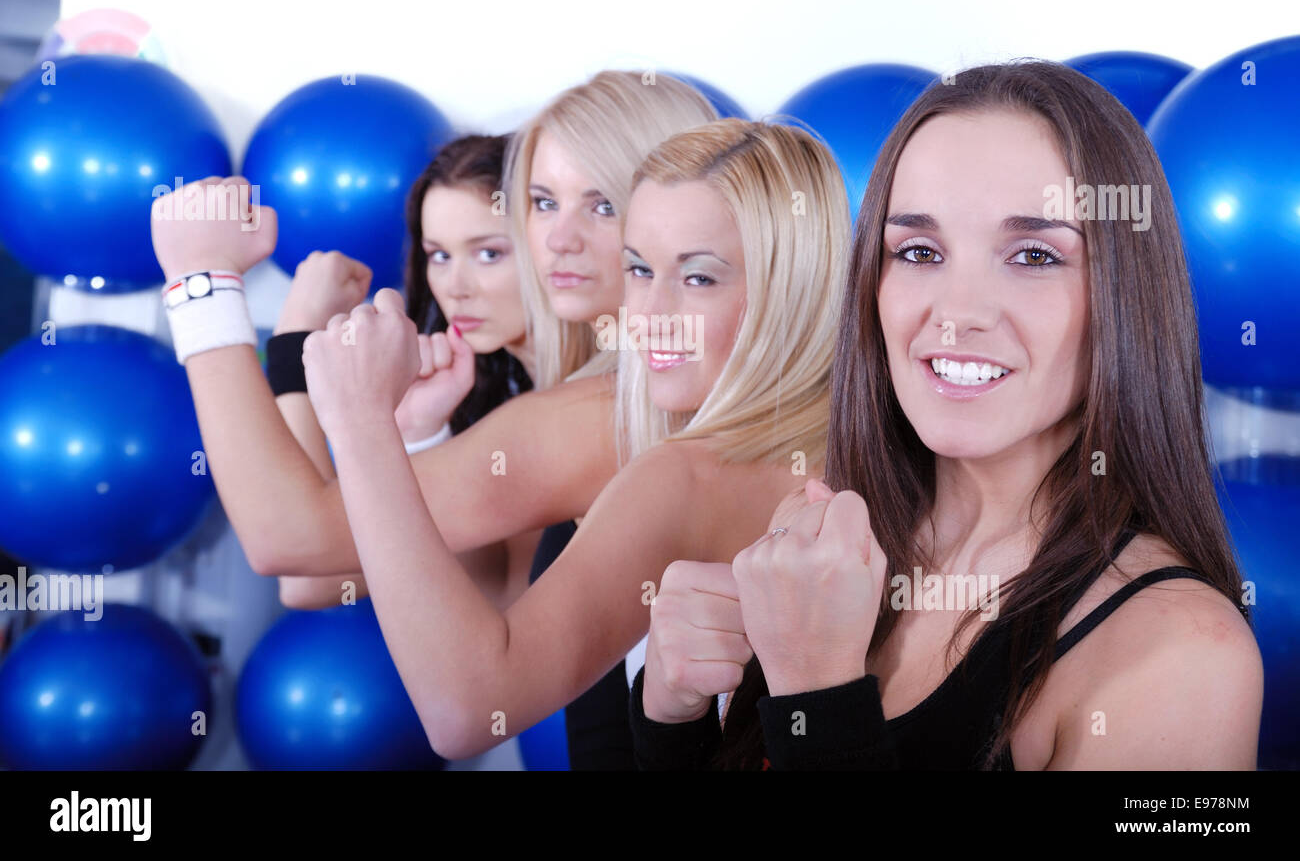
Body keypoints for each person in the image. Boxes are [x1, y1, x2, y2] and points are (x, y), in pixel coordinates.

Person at [629, 61, 1264, 770]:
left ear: (1125, 295)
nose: (958, 314)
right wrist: (671, 722)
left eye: (1033, 255)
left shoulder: (1189, 657)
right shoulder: (820, 535)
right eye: (920, 251)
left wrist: (817, 692)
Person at [148, 70, 717, 766]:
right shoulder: (591, 395)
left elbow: (289, 542)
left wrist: (204, 287)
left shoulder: (609, 409)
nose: (560, 238)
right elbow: (488, 593)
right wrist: (416, 434)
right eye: (543, 202)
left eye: (602, 205)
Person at [298, 119, 848, 759]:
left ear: (793, 287)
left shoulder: (684, 475)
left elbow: (468, 712)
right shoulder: (870, 439)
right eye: (639, 269)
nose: (649, 315)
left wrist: (361, 422)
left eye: (699, 278)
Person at [267, 134, 539, 612]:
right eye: (439, 255)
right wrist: (422, 434)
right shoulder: (482, 391)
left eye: (489, 253)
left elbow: (503, 602)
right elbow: (308, 581)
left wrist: (294, 342)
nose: (455, 287)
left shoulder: (564, 407)